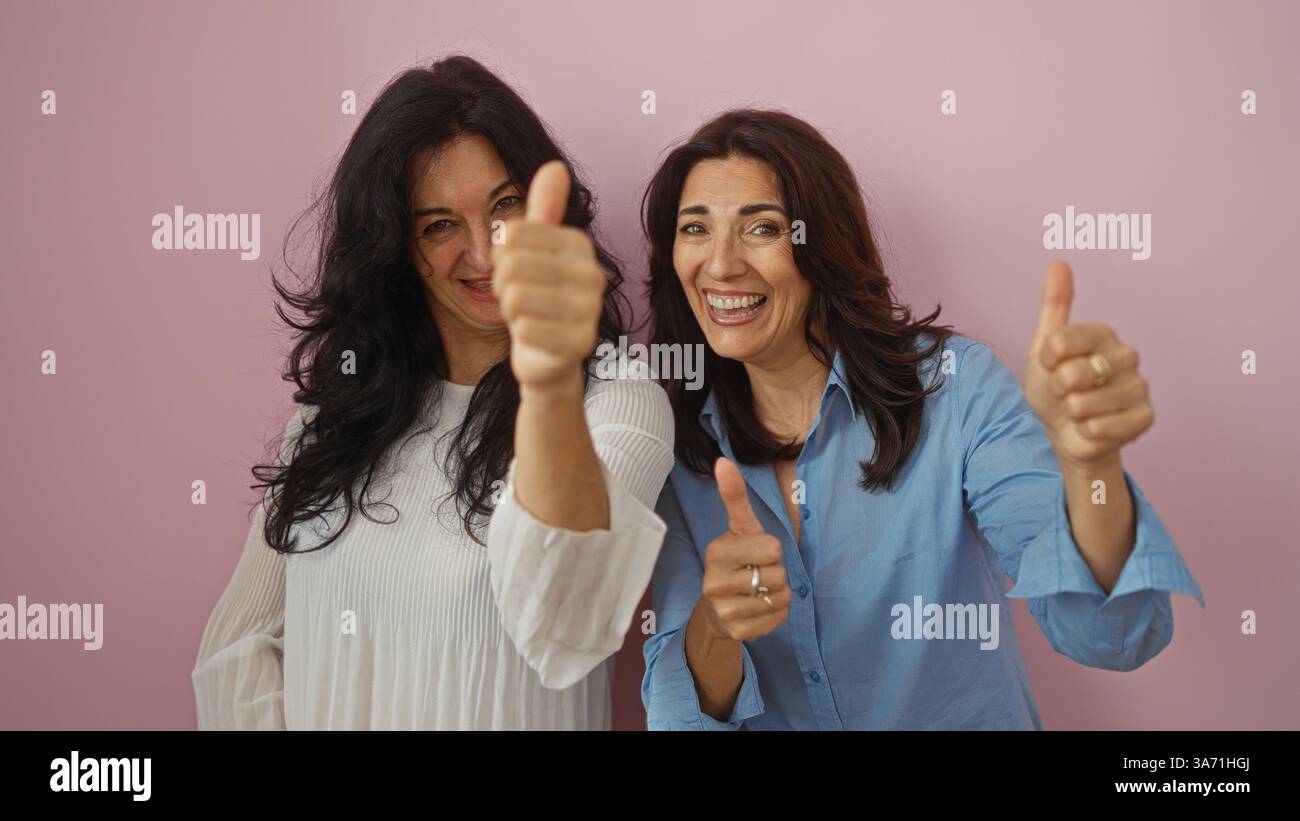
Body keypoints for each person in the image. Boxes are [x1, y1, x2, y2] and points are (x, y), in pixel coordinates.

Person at [639, 108, 1203, 730]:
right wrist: (719, 622)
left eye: (763, 228)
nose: (721, 264)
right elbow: (678, 719)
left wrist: (1089, 467)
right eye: (696, 228)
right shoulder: (675, 441)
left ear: (822, 243)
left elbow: (1110, 636)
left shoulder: (955, 388)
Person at [192, 55, 673, 730]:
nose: (485, 253)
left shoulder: (618, 400)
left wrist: (549, 384)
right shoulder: (336, 418)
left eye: (506, 205)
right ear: (398, 247)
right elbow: (235, 651)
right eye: (439, 224)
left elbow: (567, 626)